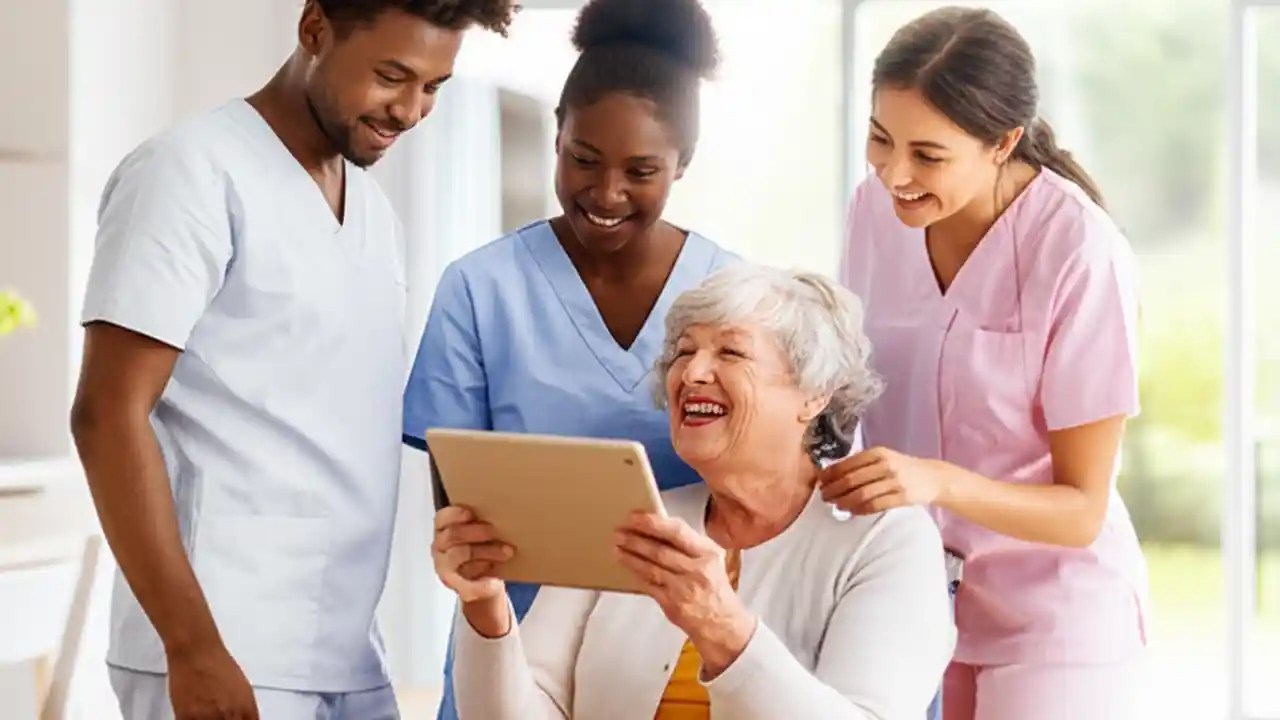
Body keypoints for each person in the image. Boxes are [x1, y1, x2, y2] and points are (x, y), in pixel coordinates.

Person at [69, 2, 516, 718]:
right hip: (223, 642)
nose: (409, 111)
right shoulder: (189, 172)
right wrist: (192, 647)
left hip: (348, 651)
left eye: (433, 87)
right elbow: (106, 415)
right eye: (391, 76)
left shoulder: (372, 212)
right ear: (314, 29)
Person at [401, 0, 738, 716]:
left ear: (683, 164)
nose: (607, 193)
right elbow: (458, 499)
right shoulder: (480, 288)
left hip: (662, 663)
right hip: (507, 651)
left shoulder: (734, 299)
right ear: (556, 134)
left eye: (641, 170)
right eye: (583, 159)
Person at [430, 264, 956, 719]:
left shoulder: (886, 540)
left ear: (815, 394)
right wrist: (485, 604)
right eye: (683, 352)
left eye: (731, 352)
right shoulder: (622, 515)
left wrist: (721, 627)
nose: (692, 373)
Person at [831, 7, 1148, 720]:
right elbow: (853, 380)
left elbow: (1082, 510)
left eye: (928, 155)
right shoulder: (873, 211)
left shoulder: (1079, 250)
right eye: (880, 139)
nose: (895, 173)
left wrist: (936, 480)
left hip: (1054, 621)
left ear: (1003, 142)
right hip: (909, 597)